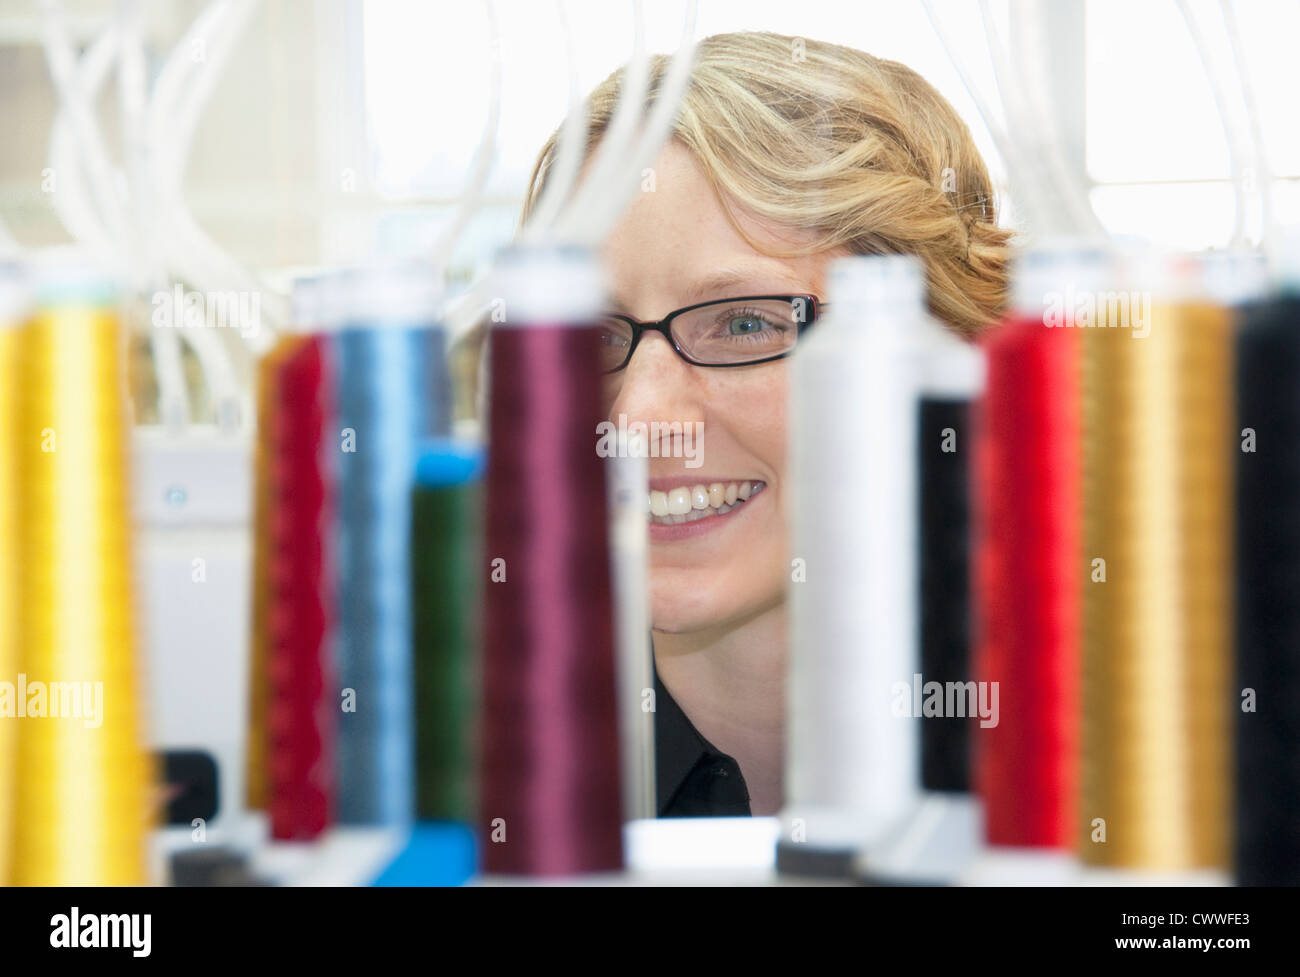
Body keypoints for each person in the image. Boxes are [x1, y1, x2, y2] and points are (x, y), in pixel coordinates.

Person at [510, 31, 1011, 817]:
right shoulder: (466, 774)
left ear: (941, 350)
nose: (637, 419)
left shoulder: (1104, 754)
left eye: (744, 323)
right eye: (595, 335)